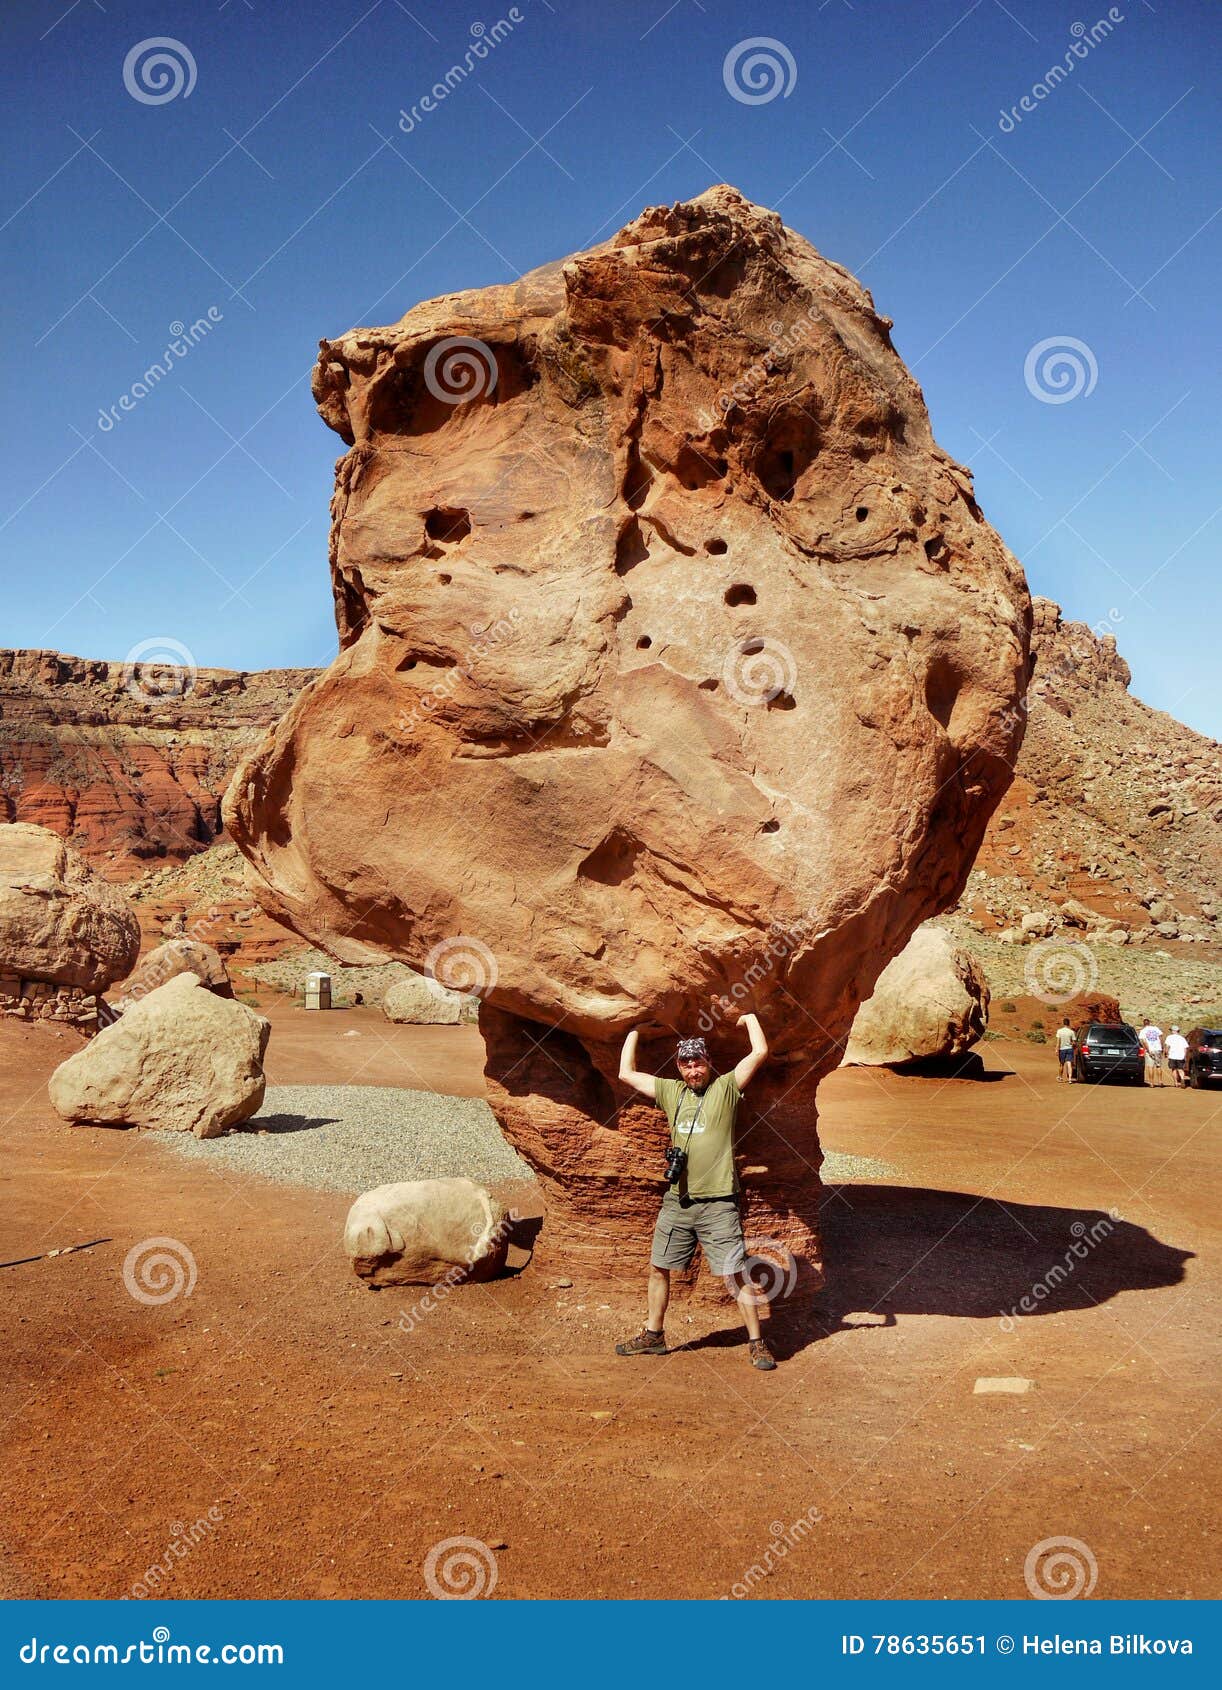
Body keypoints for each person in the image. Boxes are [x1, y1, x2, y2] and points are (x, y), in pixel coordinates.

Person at [614, 1003, 776, 1370]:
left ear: (708, 1062)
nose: (693, 1070)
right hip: (678, 1201)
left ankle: (757, 1342)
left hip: (719, 1203)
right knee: (659, 1266)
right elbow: (626, 1074)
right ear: (679, 1067)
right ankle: (653, 1336)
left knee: (736, 1273)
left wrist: (749, 1018)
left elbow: (760, 1052)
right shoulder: (672, 1092)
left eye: (698, 1062)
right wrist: (636, 1031)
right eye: (686, 1064)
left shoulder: (725, 1089)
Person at [1138, 1016, 1165, 1087]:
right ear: (1149, 1023)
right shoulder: (1155, 1028)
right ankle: (1160, 1081)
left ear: (1144, 1024)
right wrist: (1162, 1047)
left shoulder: (1143, 1031)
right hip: (1158, 1049)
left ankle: (1151, 1083)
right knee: (1158, 1066)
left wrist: (1147, 1049)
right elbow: (1161, 1037)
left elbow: (1143, 1041)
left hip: (1150, 1050)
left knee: (1150, 1067)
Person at [1055, 1016, 1076, 1082]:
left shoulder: (1059, 1031)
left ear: (1063, 1023)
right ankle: (1069, 1078)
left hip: (1062, 1049)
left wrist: (1056, 1049)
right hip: (1070, 1049)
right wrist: (1072, 1044)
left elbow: (1058, 1042)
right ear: (1069, 1024)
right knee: (1069, 1063)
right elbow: (1074, 1042)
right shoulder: (1071, 1032)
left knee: (1061, 1064)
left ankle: (1060, 1077)